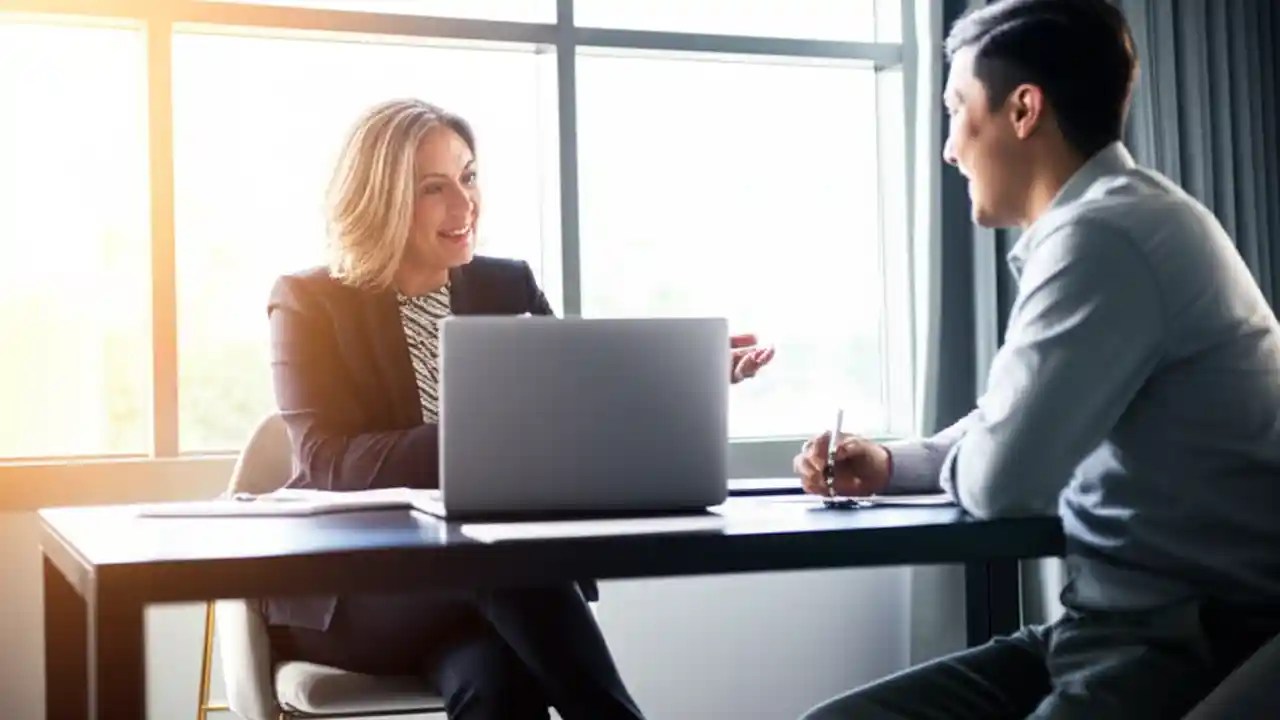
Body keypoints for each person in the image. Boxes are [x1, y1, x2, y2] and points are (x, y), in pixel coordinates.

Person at [793, 1, 1280, 718]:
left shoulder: (1104, 238)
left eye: (957, 110)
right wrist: (893, 465)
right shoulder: (1124, 218)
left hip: (1190, 640)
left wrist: (983, 450)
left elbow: (1001, 480)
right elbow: (1008, 423)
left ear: (1023, 109)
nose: (949, 149)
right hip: (1106, 630)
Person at [266, 98, 773, 720]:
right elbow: (325, 461)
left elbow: (574, 405)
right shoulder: (309, 301)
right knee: (502, 561)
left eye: (469, 177)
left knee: (500, 681)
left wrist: (681, 378)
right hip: (354, 591)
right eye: (433, 188)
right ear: (381, 198)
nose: (464, 205)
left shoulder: (506, 285)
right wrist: (485, 437)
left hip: (478, 591)